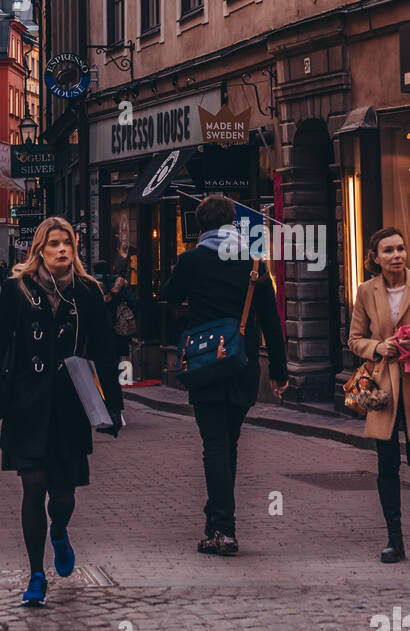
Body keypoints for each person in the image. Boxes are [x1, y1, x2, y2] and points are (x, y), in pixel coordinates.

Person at [0, 217, 123, 608]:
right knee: (33, 486)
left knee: (64, 495)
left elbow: (104, 349)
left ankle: (61, 531)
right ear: (40, 250)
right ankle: (36, 574)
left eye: (66, 243)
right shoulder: (18, 291)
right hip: (27, 403)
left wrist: (113, 405)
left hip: (70, 405)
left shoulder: (87, 293)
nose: (61, 250)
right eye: (53, 244)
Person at [163, 194, 288, 557]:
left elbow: (170, 296)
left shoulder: (191, 260)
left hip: (205, 365)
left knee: (215, 445)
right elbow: (271, 321)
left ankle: (223, 530)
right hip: (243, 366)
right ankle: (216, 517)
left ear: (199, 225)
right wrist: (278, 371)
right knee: (227, 443)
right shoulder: (253, 263)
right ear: (232, 222)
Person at [348, 227, 410, 562]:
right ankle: (394, 539)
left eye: (401, 248)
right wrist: (378, 347)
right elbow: (354, 338)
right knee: (387, 464)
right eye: (389, 250)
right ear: (375, 257)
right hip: (384, 387)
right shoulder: (367, 291)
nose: (397, 255)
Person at [104, 271, 138, 361]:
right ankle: (123, 373)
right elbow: (133, 302)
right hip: (120, 327)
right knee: (122, 356)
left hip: (102, 328)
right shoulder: (120, 285)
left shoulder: (92, 284)